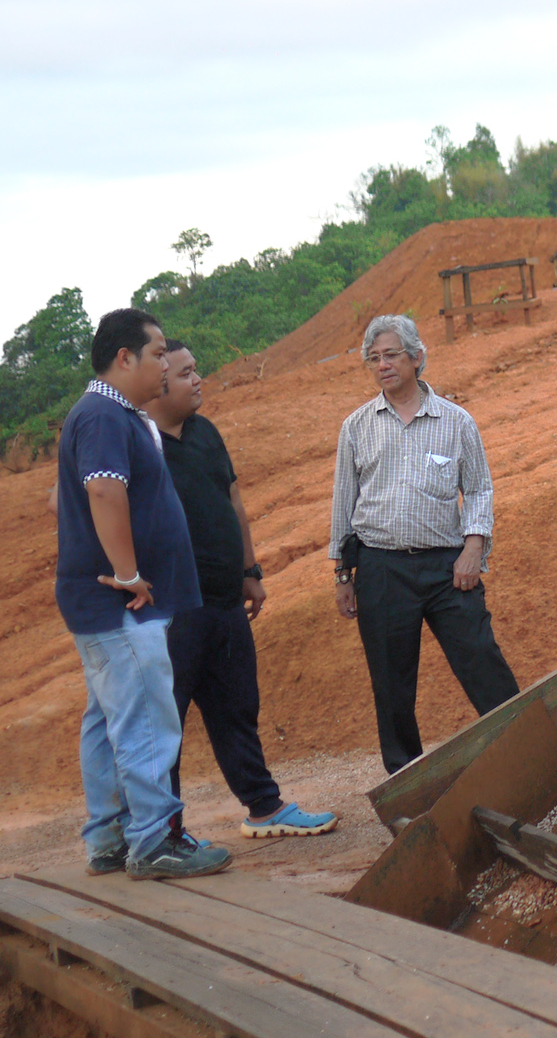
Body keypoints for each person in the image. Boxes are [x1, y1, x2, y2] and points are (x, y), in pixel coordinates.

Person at [56, 309, 230, 880]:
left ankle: (108, 839)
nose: (165, 363)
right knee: (146, 719)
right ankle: (155, 839)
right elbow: (105, 492)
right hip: (122, 603)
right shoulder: (105, 414)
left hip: (102, 602)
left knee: (108, 720)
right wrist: (129, 573)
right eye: (158, 354)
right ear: (124, 358)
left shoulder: (108, 414)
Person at [146, 340, 338, 839]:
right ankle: (164, 831)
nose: (197, 379)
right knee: (165, 722)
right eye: (187, 373)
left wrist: (250, 569)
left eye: (196, 369)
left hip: (225, 600)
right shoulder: (139, 444)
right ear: (159, 381)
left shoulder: (206, 432)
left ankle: (264, 807)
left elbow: (232, 498)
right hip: (172, 610)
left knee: (237, 707)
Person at [331, 314, 519, 775]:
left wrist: (473, 548)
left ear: (417, 357)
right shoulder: (356, 427)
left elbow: (478, 490)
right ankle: (407, 783)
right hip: (380, 571)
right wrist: (342, 573)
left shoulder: (456, 421)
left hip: (448, 569)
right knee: (392, 688)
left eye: (392, 355)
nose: (383, 365)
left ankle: (526, 750)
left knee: (483, 663)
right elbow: (343, 502)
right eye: (374, 359)